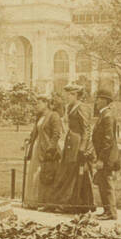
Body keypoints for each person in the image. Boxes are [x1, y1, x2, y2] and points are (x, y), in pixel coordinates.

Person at [46, 85, 96, 213]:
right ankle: (65, 202)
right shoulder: (70, 107)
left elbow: (86, 129)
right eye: (67, 94)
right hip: (70, 142)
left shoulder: (82, 107)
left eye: (69, 95)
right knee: (67, 171)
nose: (67, 97)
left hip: (77, 142)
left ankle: (72, 203)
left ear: (75, 95)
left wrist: (82, 148)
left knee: (74, 172)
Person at [23, 96, 64, 208]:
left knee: (44, 174)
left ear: (46, 103)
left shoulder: (53, 115)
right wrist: (29, 140)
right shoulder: (40, 117)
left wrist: (51, 149)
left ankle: (43, 202)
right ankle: (32, 201)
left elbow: (56, 134)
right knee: (34, 173)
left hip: (47, 150)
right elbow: (35, 132)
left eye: (39, 103)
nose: (36, 106)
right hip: (37, 147)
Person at [91, 89, 120, 221]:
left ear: (104, 100)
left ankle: (111, 212)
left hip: (107, 158)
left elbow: (108, 140)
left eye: (98, 99)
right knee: (103, 183)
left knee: (107, 184)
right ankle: (107, 210)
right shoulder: (104, 115)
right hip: (104, 156)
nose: (96, 102)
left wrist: (101, 159)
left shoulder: (107, 116)